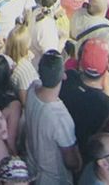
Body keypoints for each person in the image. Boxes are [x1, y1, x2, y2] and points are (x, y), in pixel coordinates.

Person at [23, 50, 80, 185]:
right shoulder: (60, 118)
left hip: (30, 168)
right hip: (53, 180)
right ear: (63, 76)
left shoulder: (32, 88)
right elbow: (71, 161)